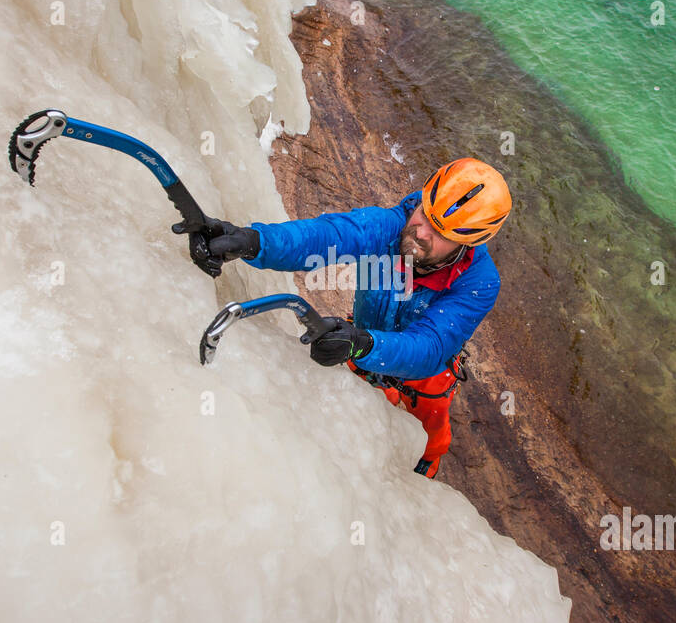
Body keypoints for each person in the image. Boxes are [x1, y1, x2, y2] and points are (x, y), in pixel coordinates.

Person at [173, 158, 511, 478]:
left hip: (416, 374)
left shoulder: (478, 281)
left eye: (441, 233)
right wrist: (252, 242)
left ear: (466, 243)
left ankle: (422, 471)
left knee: (430, 433)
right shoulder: (394, 226)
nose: (421, 232)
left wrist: (363, 344)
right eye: (425, 214)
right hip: (360, 340)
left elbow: (430, 347)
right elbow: (328, 236)